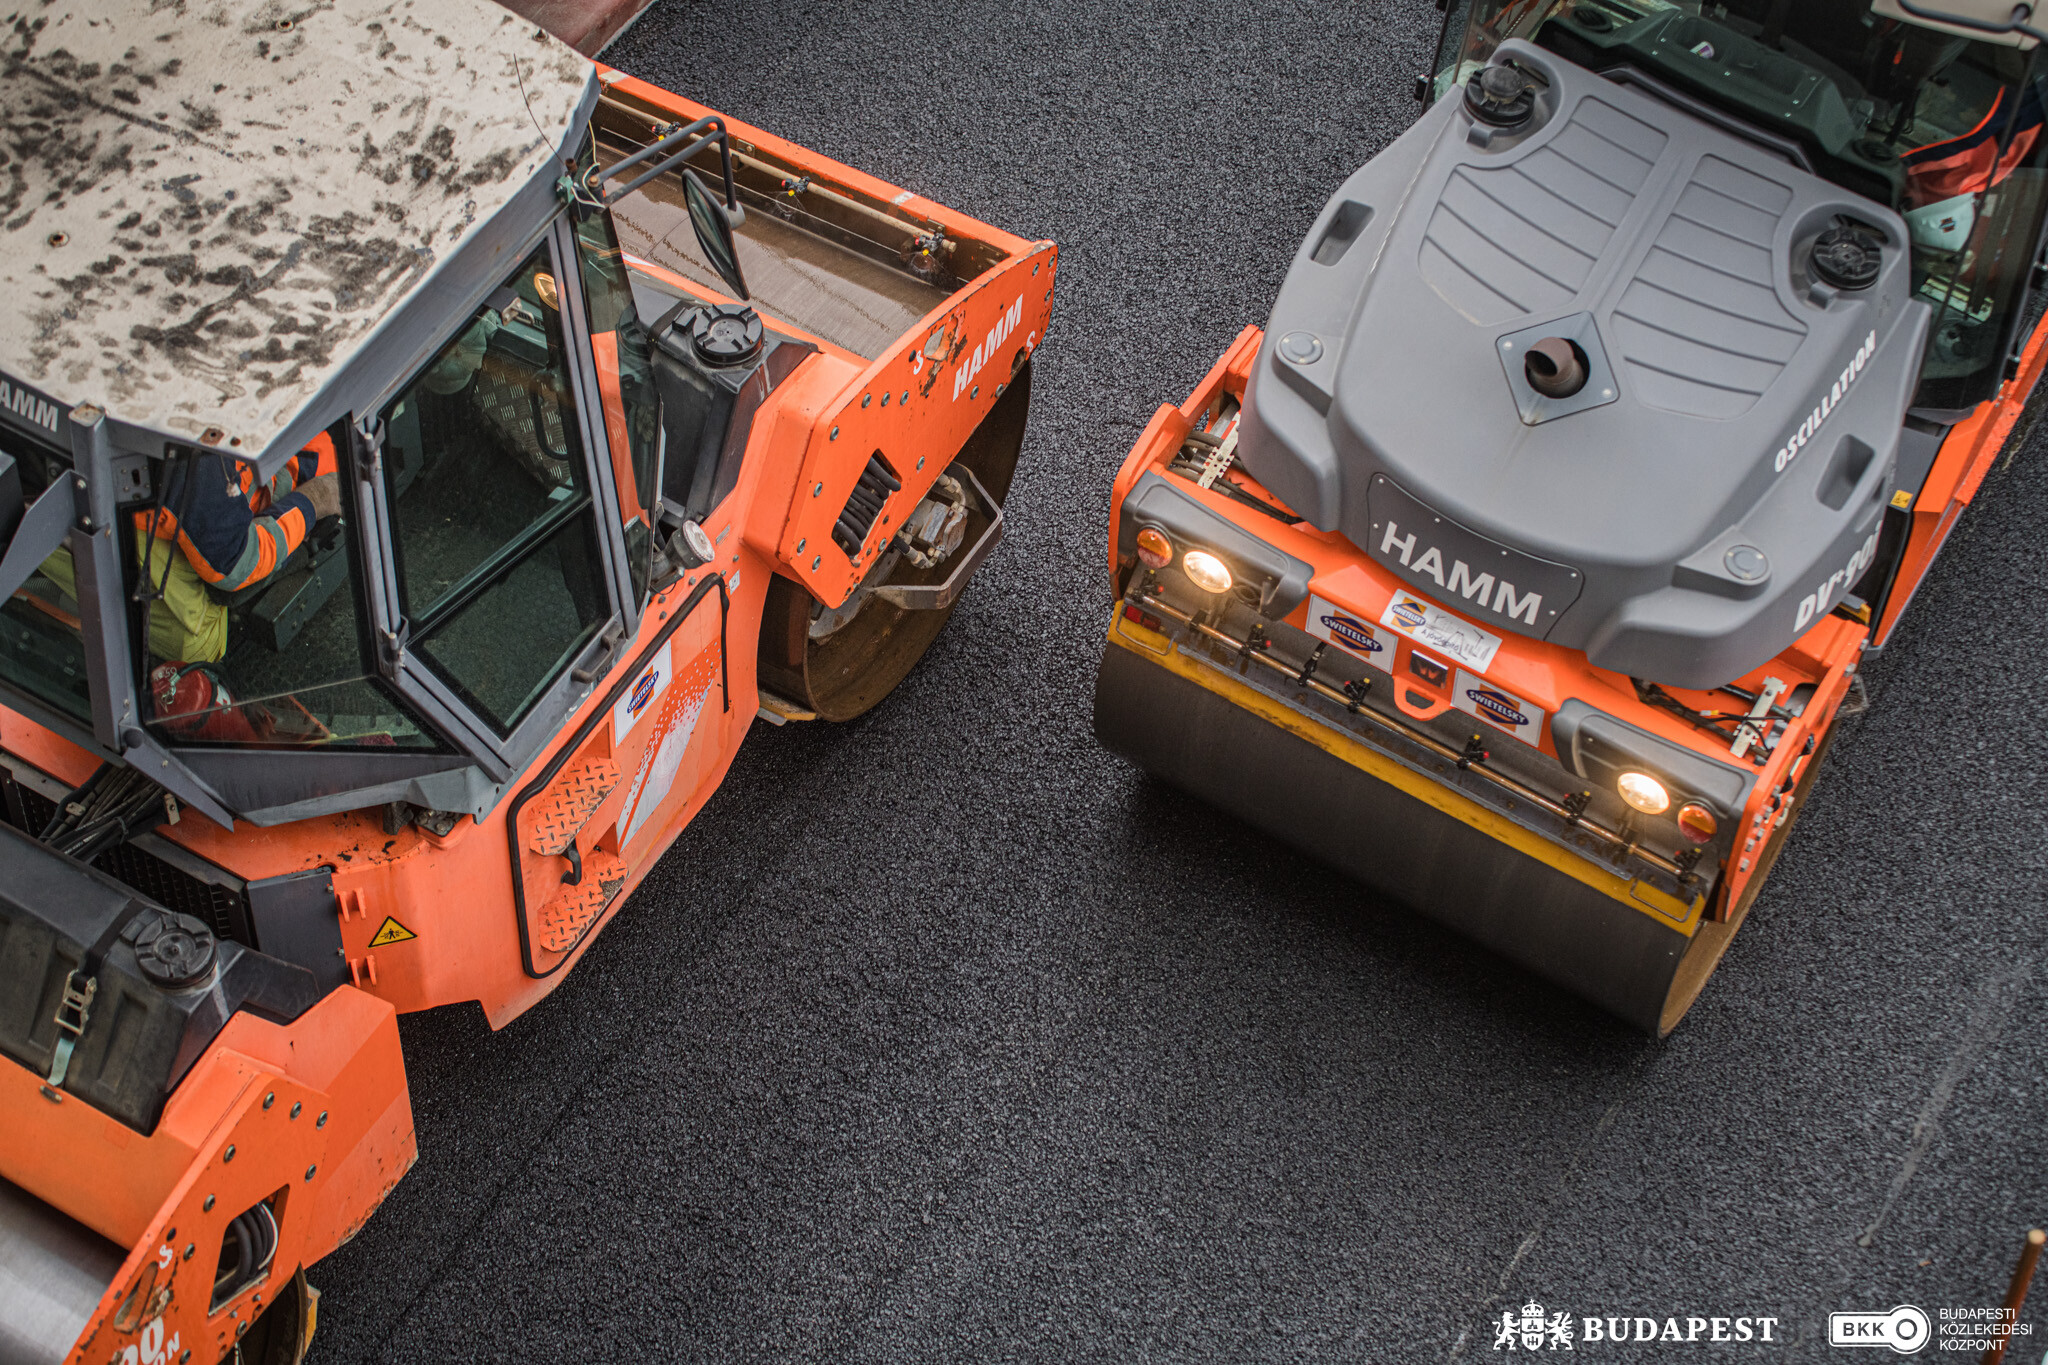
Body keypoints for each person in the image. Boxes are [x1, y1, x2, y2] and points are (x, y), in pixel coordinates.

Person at [130, 431, 343, 664]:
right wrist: (315, 500)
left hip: (221, 484)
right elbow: (237, 562)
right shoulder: (198, 460)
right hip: (136, 524)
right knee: (201, 649)